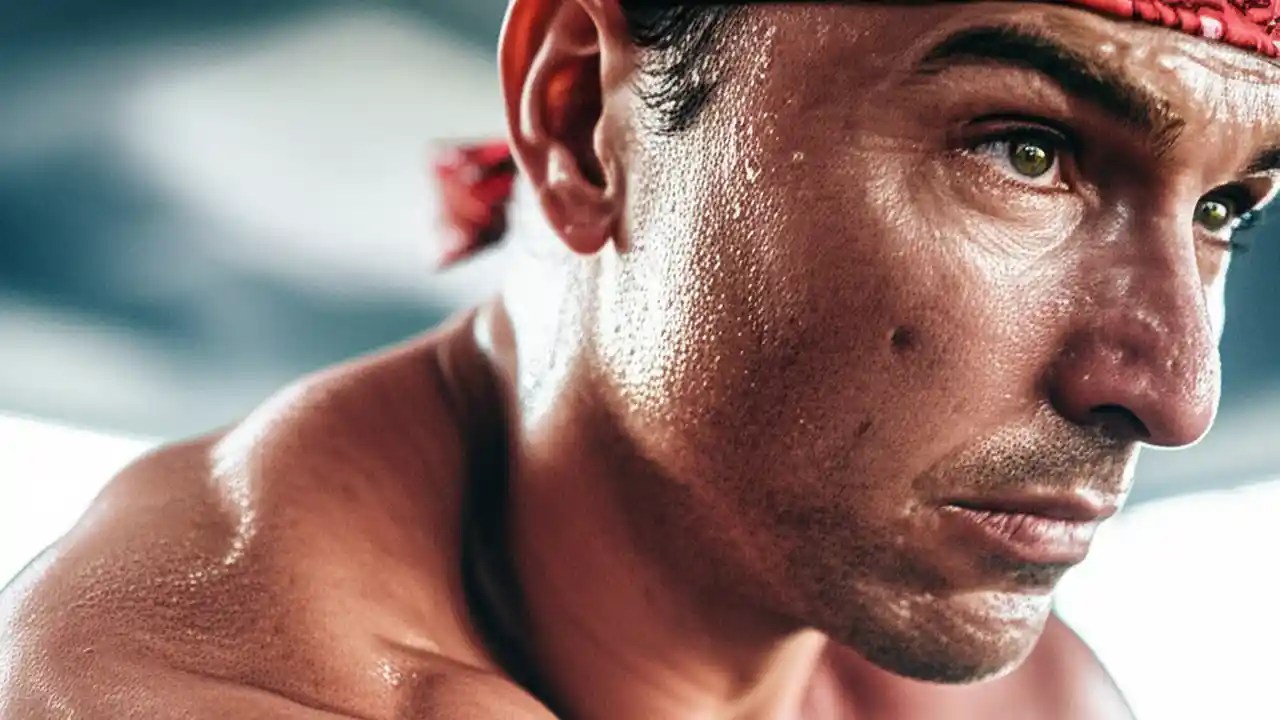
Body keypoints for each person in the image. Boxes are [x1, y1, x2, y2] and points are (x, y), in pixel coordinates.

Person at [3, 0, 1278, 717]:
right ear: (578, 124)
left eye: (1226, 210)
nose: (1173, 396)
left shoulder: (1006, 692)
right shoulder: (186, 695)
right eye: (1022, 150)